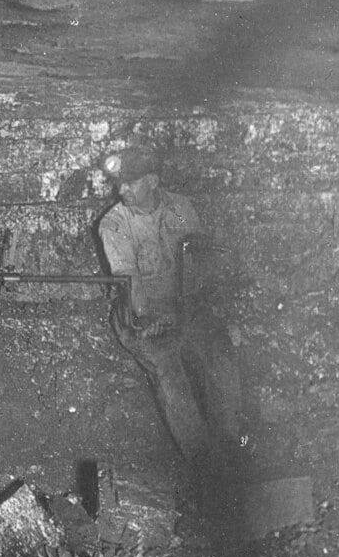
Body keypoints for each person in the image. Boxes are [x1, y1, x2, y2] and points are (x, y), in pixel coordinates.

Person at [98, 169, 248, 501]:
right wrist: (148, 318)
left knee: (220, 354)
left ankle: (234, 450)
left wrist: (220, 314)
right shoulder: (115, 223)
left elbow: (201, 262)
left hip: (187, 304)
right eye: (118, 183)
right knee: (169, 371)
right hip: (142, 311)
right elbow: (130, 283)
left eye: (130, 180)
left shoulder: (180, 208)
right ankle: (206, 468)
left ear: (151, 180)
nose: (122, 189)